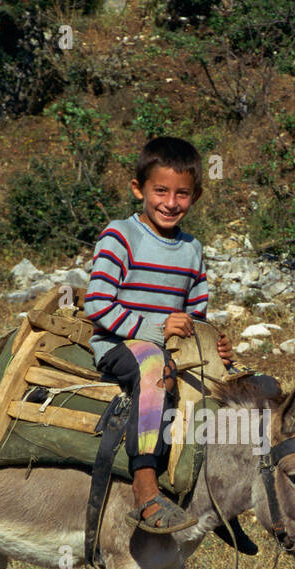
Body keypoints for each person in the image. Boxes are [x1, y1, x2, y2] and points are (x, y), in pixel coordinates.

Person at [84, 136, 234, 534]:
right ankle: (146, 486)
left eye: (182, 194)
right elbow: (97, 305)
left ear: (196, 195)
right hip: (119, 346)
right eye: (160, 191)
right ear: (139, 189)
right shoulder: (119, 237)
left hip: (173, 351)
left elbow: (196, 316)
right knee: (153, 367)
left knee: (240, 386)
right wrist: (154, 329)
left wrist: (213, 344)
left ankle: (220, 494)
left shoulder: (192, 250)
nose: (171, 203)